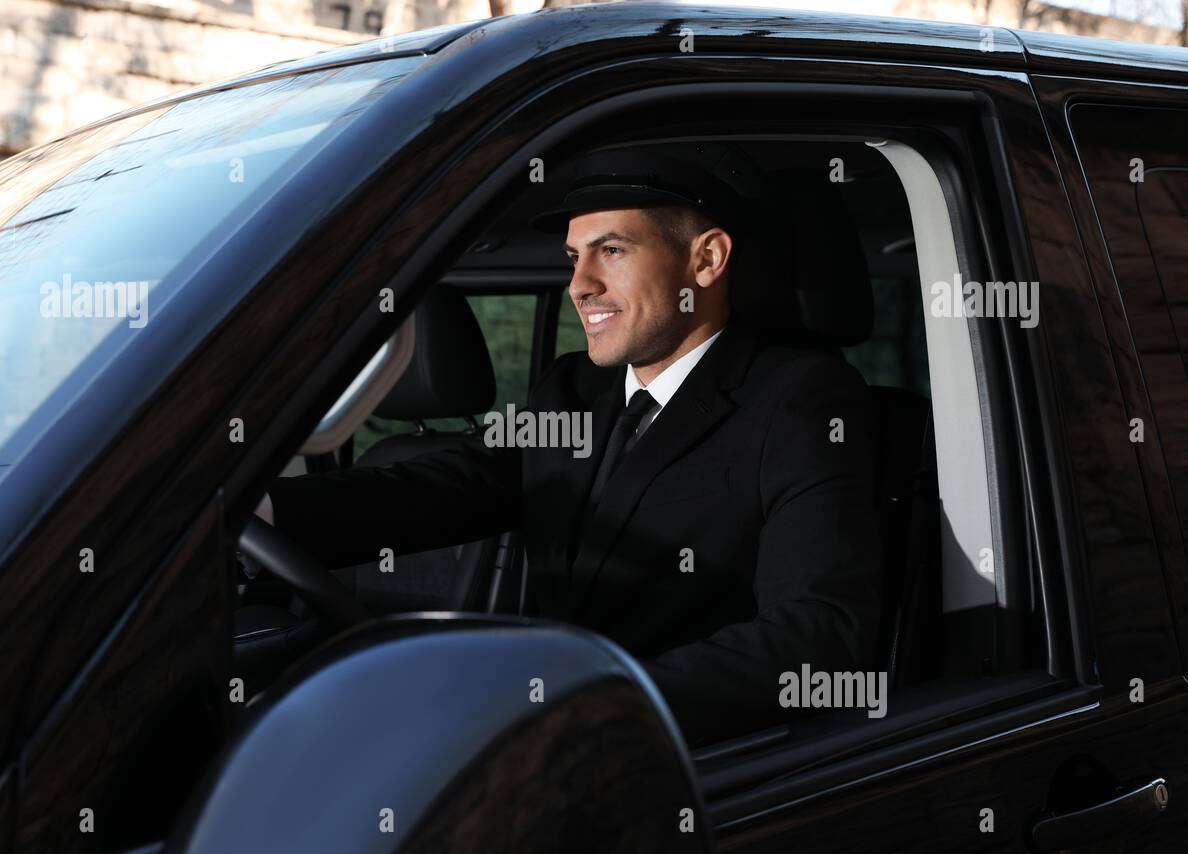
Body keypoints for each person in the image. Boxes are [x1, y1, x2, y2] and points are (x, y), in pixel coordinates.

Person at [257, 149, 883, 746]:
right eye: (574, 257)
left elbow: (818, 634)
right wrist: (259, 515)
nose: (579, 285)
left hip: (680, 759)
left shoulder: (801, 401)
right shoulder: (573, 388)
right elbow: (446, 485)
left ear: (707, 260)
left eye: (611, 250)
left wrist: (584, 704)